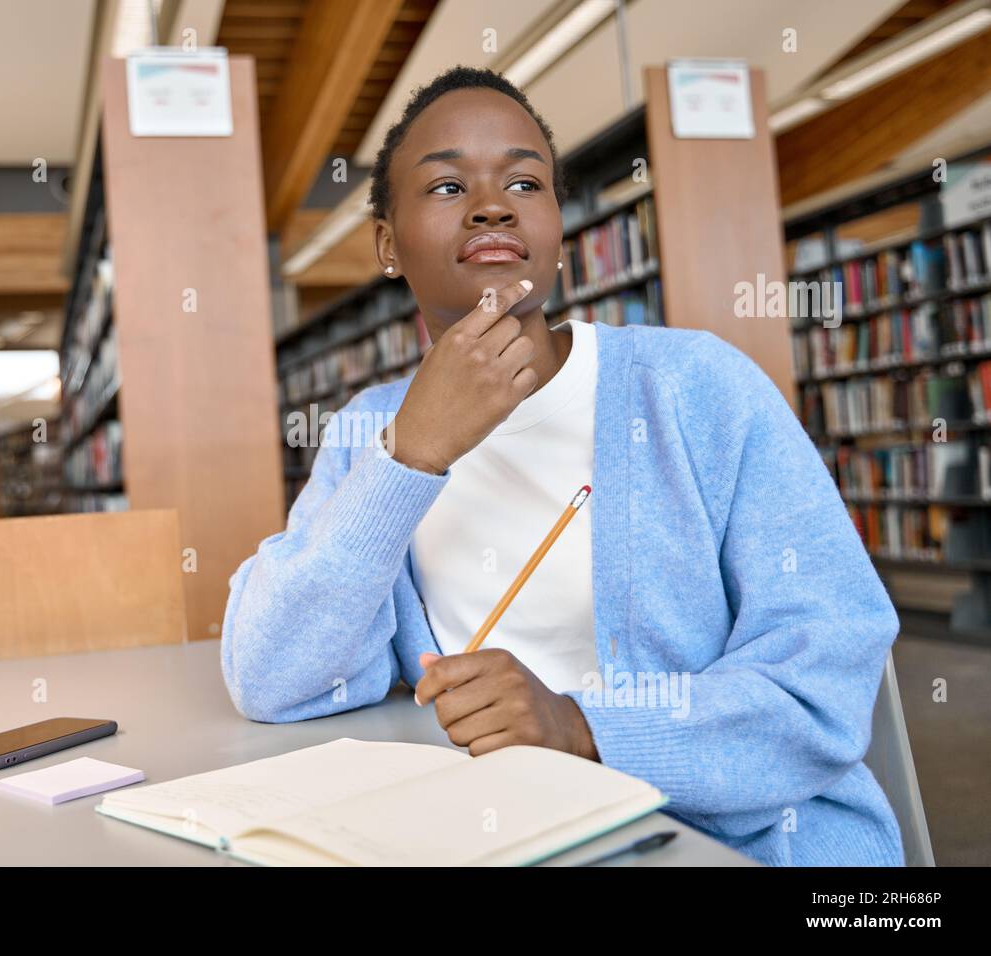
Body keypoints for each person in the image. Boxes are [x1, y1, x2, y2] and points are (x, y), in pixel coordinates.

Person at [221, 65, 903, 867]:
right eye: (445, 187)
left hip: (733, 841)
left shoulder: (694, 386)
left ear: (554, 226)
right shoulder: (371, 429)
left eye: (525, 180)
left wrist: (580, 727)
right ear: (387, 244)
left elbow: (823, 678)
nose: (491, 203)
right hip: (491, 834)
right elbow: (272, 678)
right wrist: (412, 455)